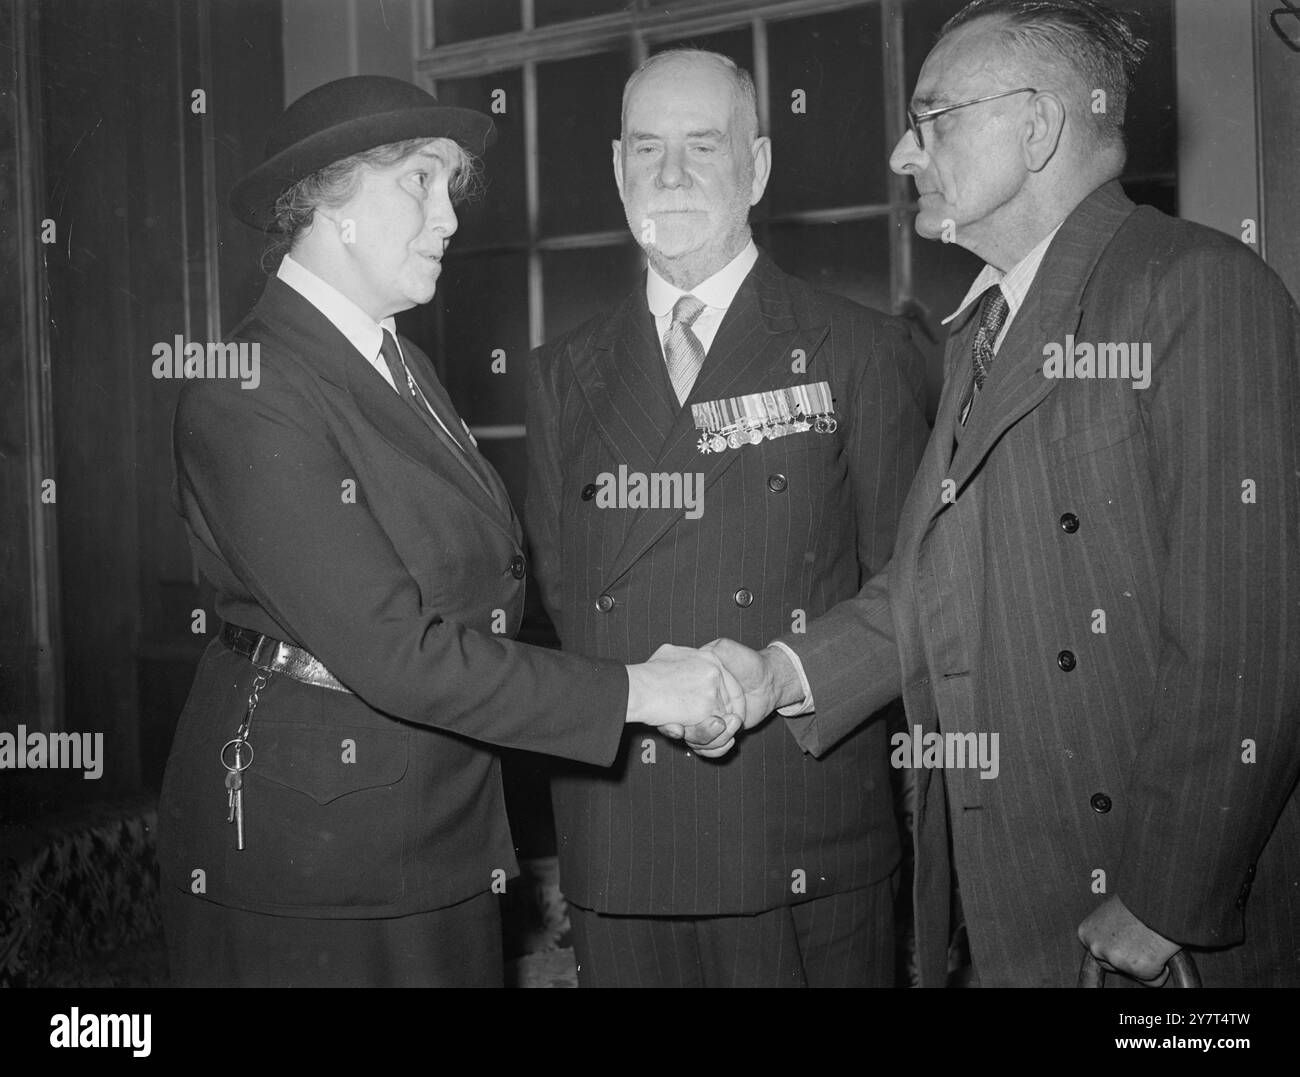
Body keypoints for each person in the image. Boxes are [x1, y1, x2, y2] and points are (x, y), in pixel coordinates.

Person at [709, 0, 1300, 987]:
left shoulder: (1197, 287)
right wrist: (780, 673)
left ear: (1035, 128)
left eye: (931, 118)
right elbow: (932, 584)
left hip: (1150, 918)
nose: (902, 154)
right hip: (1010, 878)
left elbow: (1253, 629)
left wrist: (1166, 894)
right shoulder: (980, 330)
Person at [157, 75, 742, 988]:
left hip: (435, 824)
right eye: (419, 184)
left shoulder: (400, 362)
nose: (449, 220)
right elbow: (397, 650)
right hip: (316, 860)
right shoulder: (252, 386)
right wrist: (635, 691)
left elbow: (486, 580)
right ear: (324, 194)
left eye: (449, 189)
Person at [525, 49, 929, 987]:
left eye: (702, 146)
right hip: (622, 843)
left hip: (797, 830)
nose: (669, 176)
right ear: (616, 167)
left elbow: (915, 587)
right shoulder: (559, 373)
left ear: (758, 165)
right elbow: (563, 593)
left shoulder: (856, 350)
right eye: (647, 148)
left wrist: (782, 678)